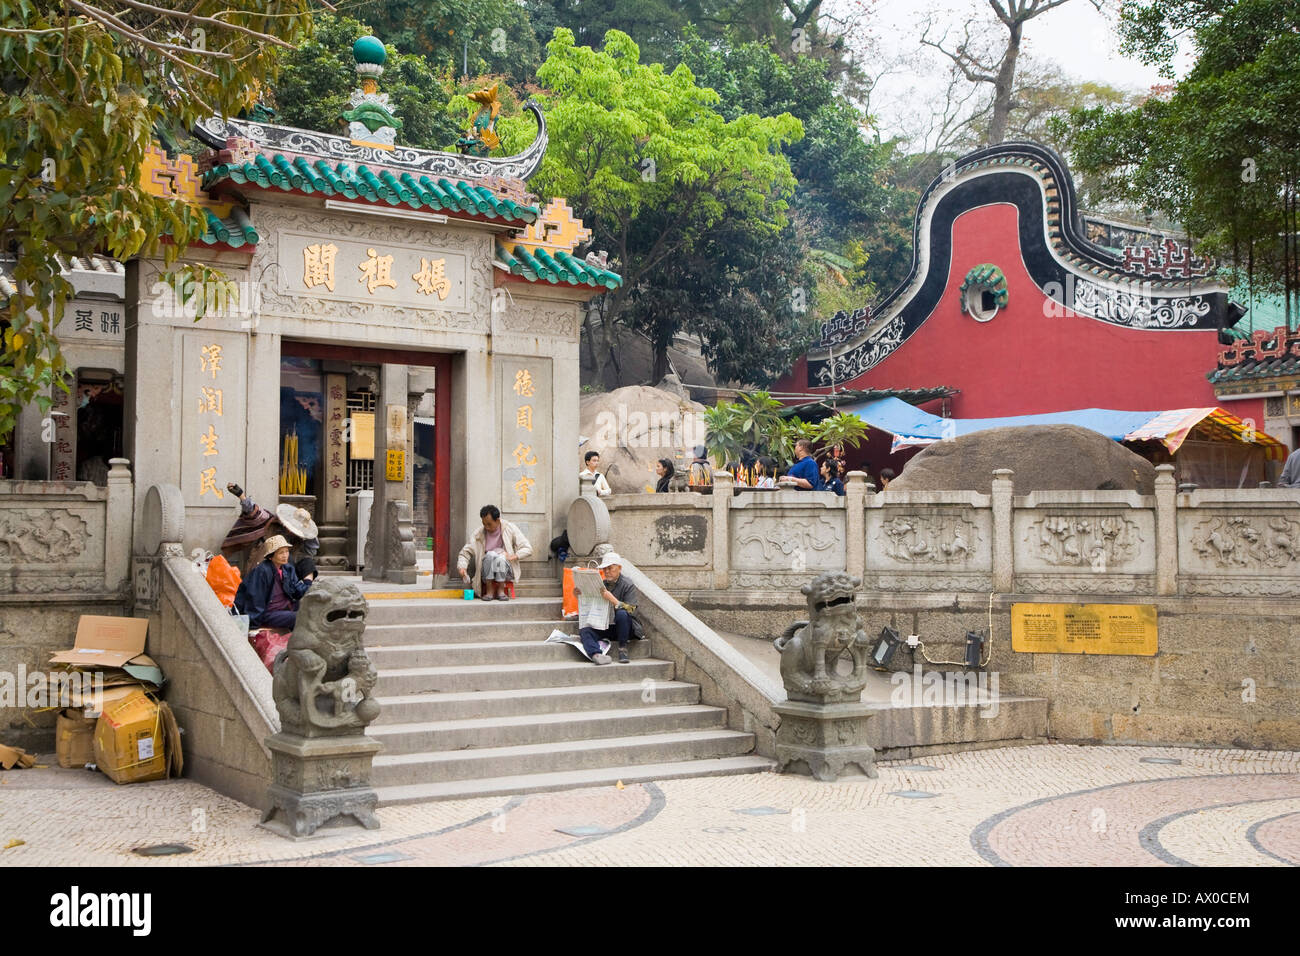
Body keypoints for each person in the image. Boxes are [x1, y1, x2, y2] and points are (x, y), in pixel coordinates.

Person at [575, 552, 643, 665]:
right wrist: (578, 595)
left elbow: (632, 610)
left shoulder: (627, 584)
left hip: (626, 628)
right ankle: (596, 654)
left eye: (610, 568)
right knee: (585, 630)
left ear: (619, 568)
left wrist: (613, 600)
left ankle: (623, 649)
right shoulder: (602, 584)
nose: (606, 572)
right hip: (606, 625)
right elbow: (593, 605)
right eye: (604, 569)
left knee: (622, 614)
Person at [234, 535, 311, 630]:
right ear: (271, 557)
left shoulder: (287, 568)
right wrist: (253, 624)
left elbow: (296, 589)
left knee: (311, 608)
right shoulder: (262, 571)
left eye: (286, 551)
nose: (285, 555)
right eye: (281, 553)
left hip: (286, 606)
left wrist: (311, 587)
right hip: (268, 612)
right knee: (299, 617)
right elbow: (255, 599)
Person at [457, 504, 533, 600]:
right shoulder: (479, 533)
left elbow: (528, 548)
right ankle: (489, 590)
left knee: (500, 557)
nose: (486, 527)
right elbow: (465, 553)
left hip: (506, 571)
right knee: (490, 555)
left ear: (497, 520)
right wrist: (462, 567)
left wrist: (512, 556)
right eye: (484, 524)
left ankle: (501, 590)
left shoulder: (509, 528)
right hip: (486, 572)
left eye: (489, 524)